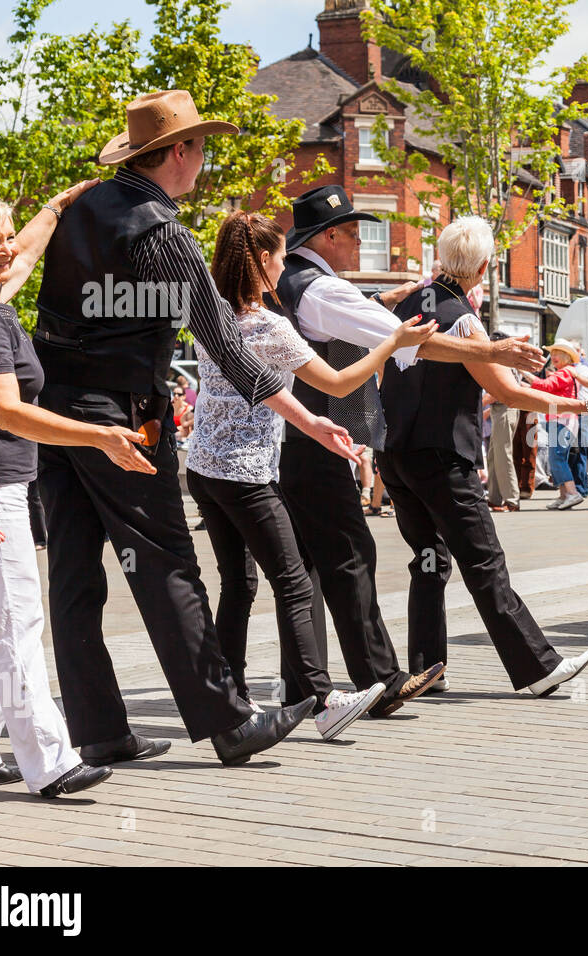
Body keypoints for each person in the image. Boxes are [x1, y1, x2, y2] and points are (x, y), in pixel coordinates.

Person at [33, 90, 351, 766]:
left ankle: (99, 730)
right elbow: (230, 352)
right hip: (124, 416)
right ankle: (230, 723)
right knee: (166, 564)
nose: (203, 164)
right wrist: (311, 423)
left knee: (72, 571)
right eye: (200, 150)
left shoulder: (83, 208)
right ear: (178, 151)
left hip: (55, 411)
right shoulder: (164, 233)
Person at [270, 184, 543, 711]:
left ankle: (301, 685)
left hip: (288, 436)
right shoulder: (325, 290)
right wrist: (490, 348)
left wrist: (381, 300)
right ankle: (380, 682)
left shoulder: (294, 281)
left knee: (301, 566)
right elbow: (404, 337)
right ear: (327, 235)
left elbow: (364, 321)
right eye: (353, 233)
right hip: (318, 437)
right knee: (350, 556)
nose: (358, 244)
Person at [188, 210, 439, 738]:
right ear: (261, 260)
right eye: (280, 256)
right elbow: (340, 381)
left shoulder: (209, 317)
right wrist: (391, 343)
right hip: (247, 472)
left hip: (203, 469)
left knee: (237, 584)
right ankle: (322, 702)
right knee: (295, 583)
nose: (284, 266)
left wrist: (316, 424)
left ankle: (229, 702)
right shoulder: (270, 326)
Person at [0, 182, 140, 797]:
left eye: (4, 236)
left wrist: (52, 210)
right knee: (16, 622)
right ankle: (50, 760)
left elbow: (19, 260)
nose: (3, 250)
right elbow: (7, 413)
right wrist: (98, 435)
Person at [379, 216, 588, 694]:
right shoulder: (466, 321)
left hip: (397, 453)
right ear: (485, 266)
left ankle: (426, 668)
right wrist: (581, 403)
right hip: (442, 456)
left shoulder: (408, 306)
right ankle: (537, 667)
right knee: (484, 562)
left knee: (429, 557)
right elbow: (508, 394)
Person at [527, 338, 588, 510]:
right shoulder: (565, 371)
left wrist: (522, 373)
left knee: (557, 458)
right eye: (553, 352)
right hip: (560, 420)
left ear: (567, 356)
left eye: (559, 353)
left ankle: (572, 493)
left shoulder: (565, 372)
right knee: (556, 458)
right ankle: (564, 495)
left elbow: (544, 386)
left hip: (563, 421)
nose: (554, 356)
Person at [484, 330, 523, 511]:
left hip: (505, 408)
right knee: (494, 455)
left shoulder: (503, 362)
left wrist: (479, 404)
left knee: (502, 454)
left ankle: (511, 499)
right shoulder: (506, 361)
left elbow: (500, 391)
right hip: (500, 409)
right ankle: (494, 497)